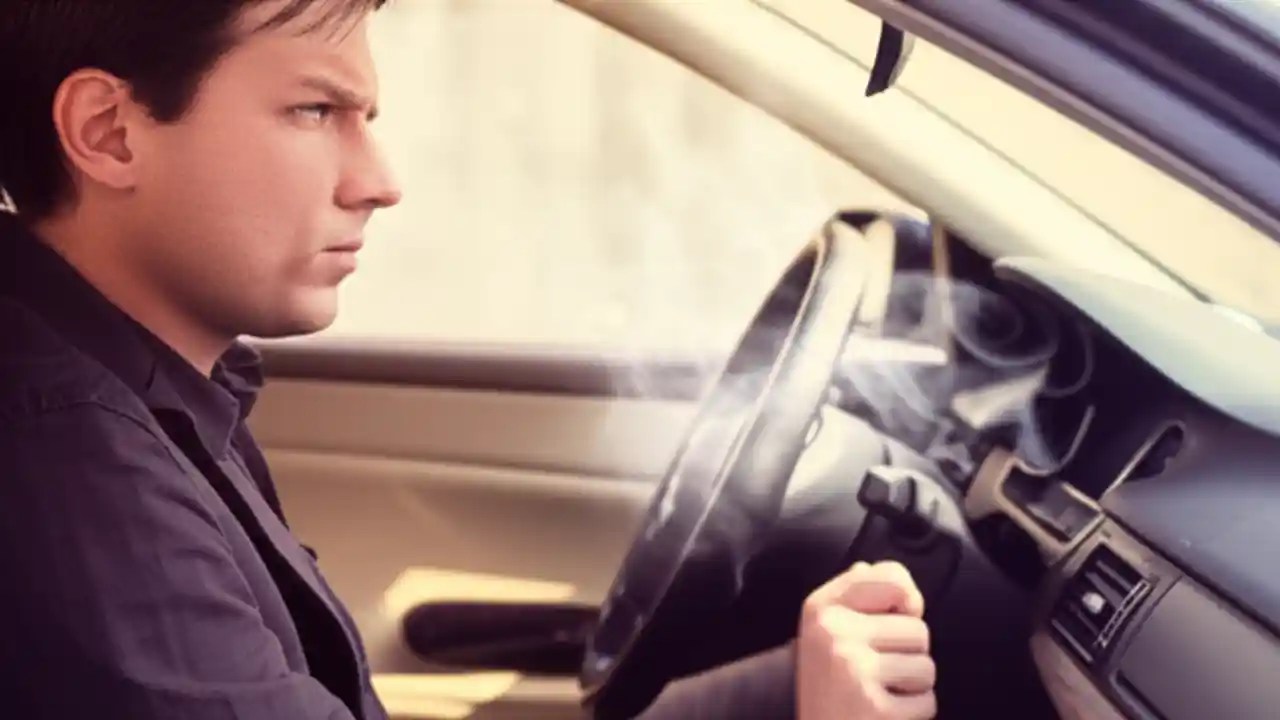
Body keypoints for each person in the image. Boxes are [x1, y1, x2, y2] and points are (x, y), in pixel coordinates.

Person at [0, 1, 937, 718]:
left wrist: (780, 690)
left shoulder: (154, 390)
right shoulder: (70, 475)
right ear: (108, 132)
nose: (379, 181)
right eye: (314, 109)